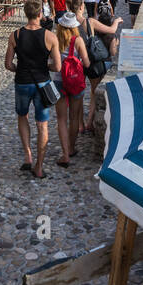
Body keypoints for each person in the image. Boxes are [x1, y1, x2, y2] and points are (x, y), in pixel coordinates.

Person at [5, 0, 61, 179]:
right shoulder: (50, 37)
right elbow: (57, 67)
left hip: (22, 82)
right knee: (42, 125)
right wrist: (44, 68)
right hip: (42, 84)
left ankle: (28, 154)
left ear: (25, 14)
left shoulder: (15, 35)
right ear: (39, 15)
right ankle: (39, 166)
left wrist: (19, 69)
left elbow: (8, 64)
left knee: (22, 116)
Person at [72, 0, 122, 132]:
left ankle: (80, 125)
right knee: (94, 92)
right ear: (82, 7)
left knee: (78, 95)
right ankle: (89, 123)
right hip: (90, 61)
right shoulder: (89, 22)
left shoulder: (66, 23)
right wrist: (116, 21)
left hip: (73, 63)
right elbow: (111, 30)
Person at [52, 10, 90, 167]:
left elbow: (52, 62)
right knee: (74, 117)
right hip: (75, 82)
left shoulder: (55, 39)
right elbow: (87, 63)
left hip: (59, 82)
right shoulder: (78, 40)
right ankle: (72, 148)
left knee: (61, 118)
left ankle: (65, 154)